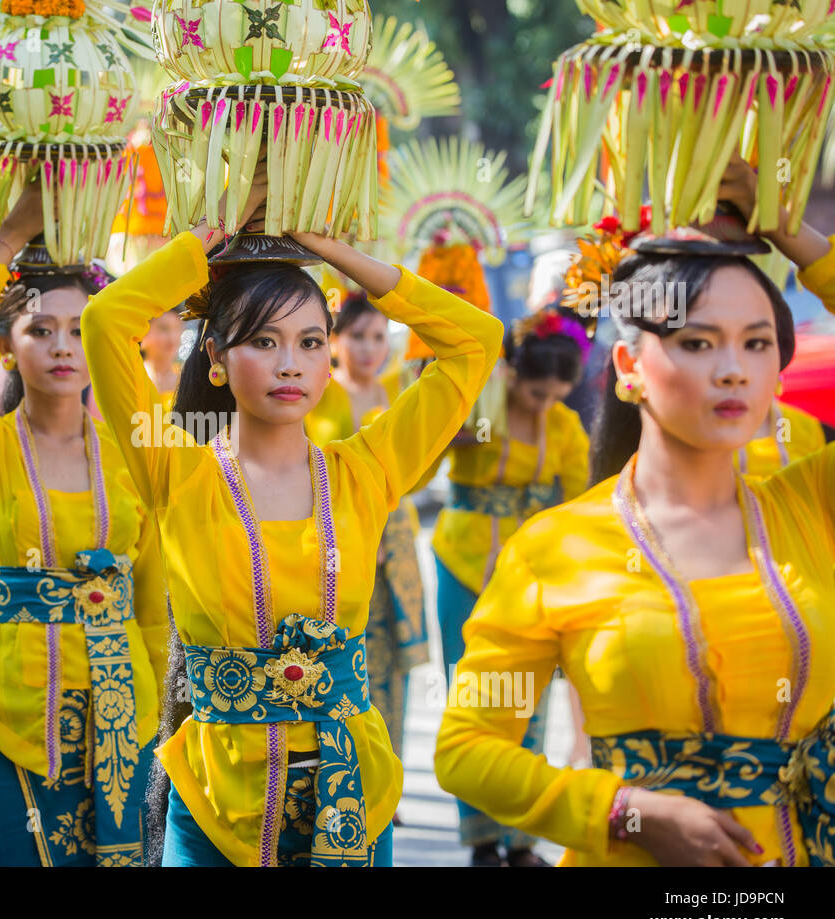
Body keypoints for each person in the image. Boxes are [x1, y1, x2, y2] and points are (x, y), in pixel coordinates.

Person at [83, 170, 503, 866]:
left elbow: (474, 340)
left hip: (350, 797)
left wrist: (332, 250)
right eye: (265, 341)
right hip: (215, 803)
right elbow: (106, 320)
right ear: (215, 357)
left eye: (311, 342)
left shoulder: (364, 470)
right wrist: (217, 232)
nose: (291, 364)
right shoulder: (179, 473)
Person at [434, 172, 835, 866]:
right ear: (629, 365)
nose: (734, 370)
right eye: (699, 343)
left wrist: (791, 235)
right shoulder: (556, 550)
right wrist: (623, 813)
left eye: (757, 343)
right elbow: (466, 748)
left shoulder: (812, 505)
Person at [0, 182, 168, 866]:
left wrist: (161, 720)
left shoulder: (134, 451)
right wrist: (6, 240)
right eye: (40, 329)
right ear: (7, 345)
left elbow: (151, 598)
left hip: (124, 721)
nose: (63, 347)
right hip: (4, 714)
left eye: (79, 329)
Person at [430, 305, 591, 866]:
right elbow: (423, 463)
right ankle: (479, 841)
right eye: (534, 392)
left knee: (530, 703)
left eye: (556, 394)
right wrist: (453, 439)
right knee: (472, 700)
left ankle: (520, 841)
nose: (543, 404)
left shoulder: (566, 426)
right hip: (462, 567)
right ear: (513, 374)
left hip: (529, 580)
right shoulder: (482, 404)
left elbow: (577, 505)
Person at [309, 293, 430, 806]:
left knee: (389, 668)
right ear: (333, 340)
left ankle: (387, 785)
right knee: (341, 661)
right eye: (356, 335)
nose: (368, 347)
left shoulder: (397, 391)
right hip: (331, 540)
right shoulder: (318, 393)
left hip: (393, 542)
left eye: (379, 336)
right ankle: (341, 780)